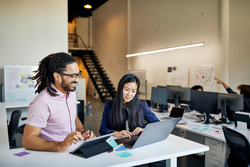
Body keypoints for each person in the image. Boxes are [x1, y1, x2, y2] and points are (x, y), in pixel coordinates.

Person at [22, 52, 95, 152]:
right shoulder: (42, 103)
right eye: (73, 76)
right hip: (52, 155)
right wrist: (59, 146)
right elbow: (27, 140)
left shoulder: (71, 92)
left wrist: (81, 132)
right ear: (57, 76)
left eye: (78, 74)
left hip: (73, 149)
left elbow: (74, 117)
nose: (77, 80)